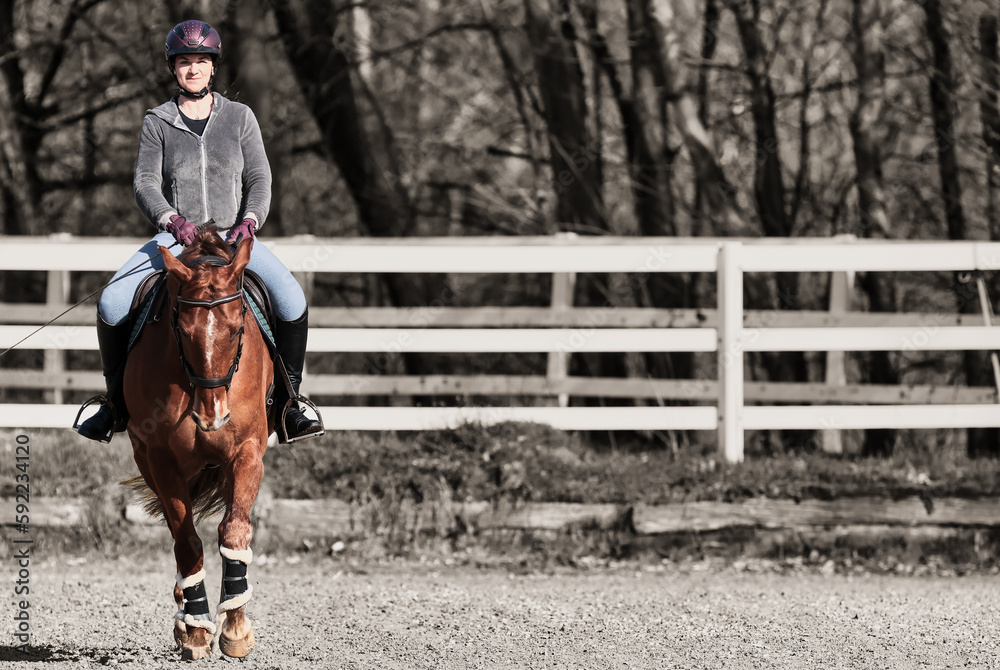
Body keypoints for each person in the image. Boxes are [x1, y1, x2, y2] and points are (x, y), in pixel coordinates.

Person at [75, 20, 323, 443]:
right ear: (174, 68)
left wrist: (250, 221)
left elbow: (260, 178)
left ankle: (289, 405)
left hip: (233, 236)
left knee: (291, 299)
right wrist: (172, 220)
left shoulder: (240, 118)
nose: (193, 69)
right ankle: (113, 406)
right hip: (178, 237)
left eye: (201, 61)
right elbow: (145, 183)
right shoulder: (157, 122)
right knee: (113, 301)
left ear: (213, 67)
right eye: (185, 62)